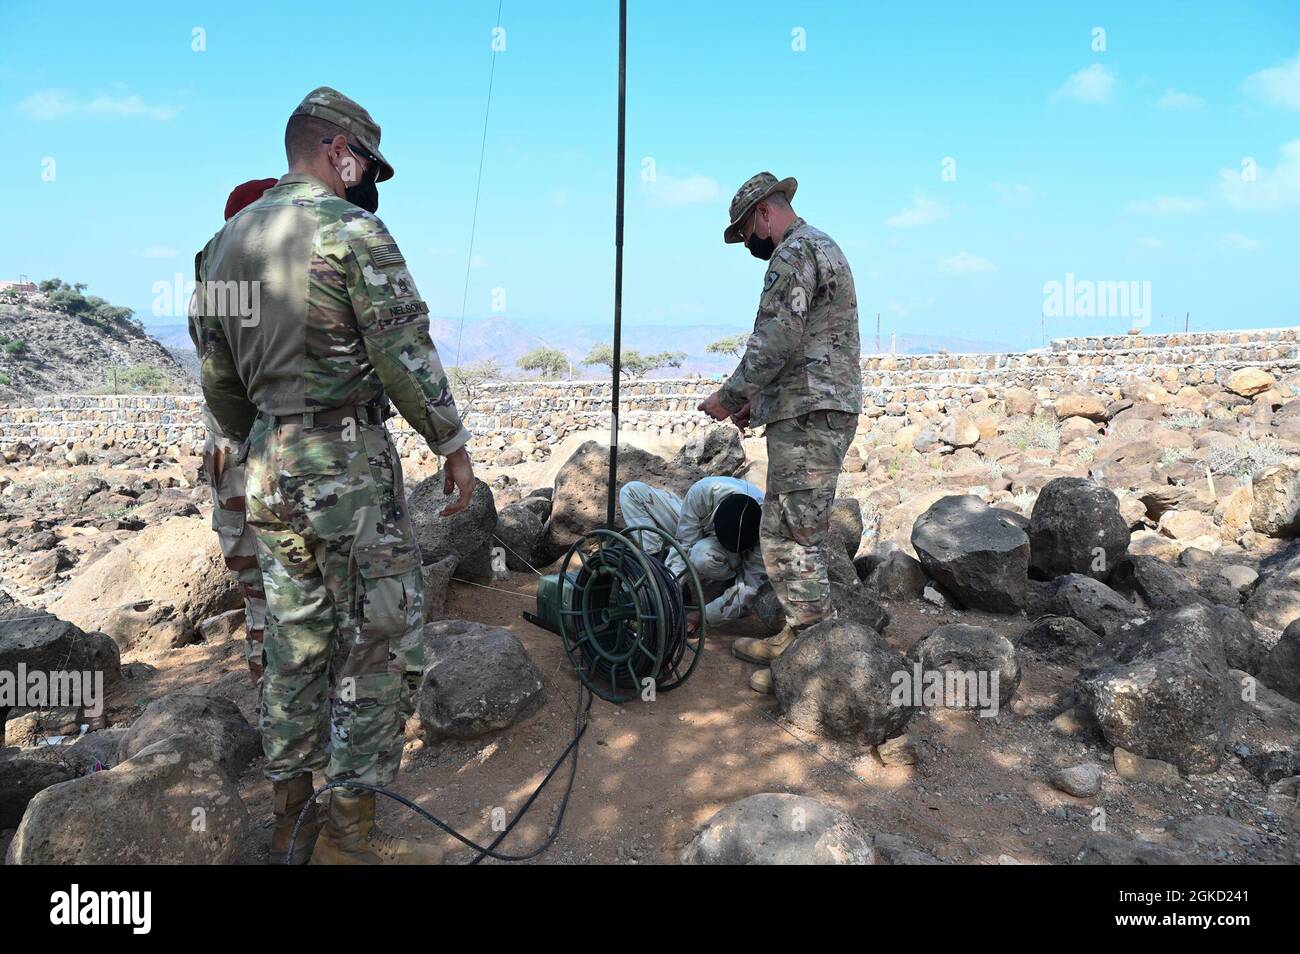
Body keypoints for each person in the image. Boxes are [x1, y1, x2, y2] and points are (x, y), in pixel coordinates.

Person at [190, 87, 475, 865]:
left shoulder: (222, 246)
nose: (365, 179)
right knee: (381, 637)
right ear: (335, 149)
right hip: (344, 465)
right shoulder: (352, 232)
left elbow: (217, 380)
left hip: (267, 468)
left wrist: (260, 436)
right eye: (364, 163)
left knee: (293, 642)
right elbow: (403, 353)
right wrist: (451, 444)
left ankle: (290, 818)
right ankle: (348, 834)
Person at [698, 172, 862, 694]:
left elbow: (777, 338)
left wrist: (728, 396)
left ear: (764, 214)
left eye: (747, 232)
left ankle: (813, 668)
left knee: (795, 534)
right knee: (786, 527)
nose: (749, 243)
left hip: (812, 412)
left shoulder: (792, 254)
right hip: (810, 407)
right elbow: (801, 346)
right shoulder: (819, 246)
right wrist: (759, 402)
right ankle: (797, 637)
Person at [195, 178, 279, 686]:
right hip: (254, 464)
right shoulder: (255, 295)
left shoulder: (210, 288)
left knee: (262, 605)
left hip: (232, 468)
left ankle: (277, 720)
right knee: (282, 599)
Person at [619, 476, 766, 629]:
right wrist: (669, 588)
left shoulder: (767, 529)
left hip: (730, 552)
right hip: (703, 523)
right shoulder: (703, 493)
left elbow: (751, 589)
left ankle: (731, 578)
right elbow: (684, 546)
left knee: (701, 555)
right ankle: (661, 567)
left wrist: (703, 616)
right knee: (631, 491)